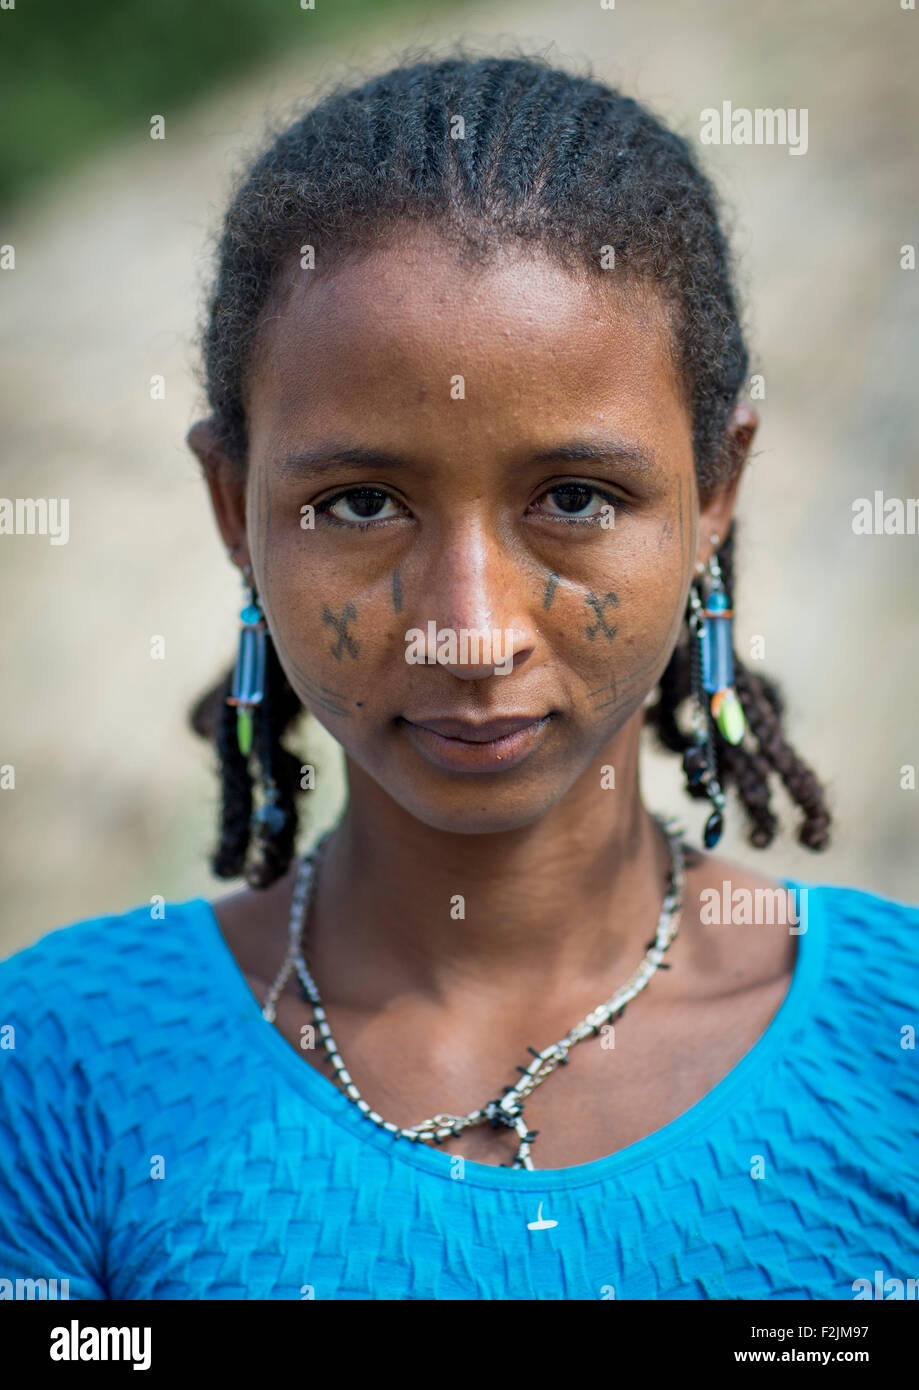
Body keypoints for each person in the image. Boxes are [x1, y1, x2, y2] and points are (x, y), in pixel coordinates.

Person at [1, 54, 916, 1302]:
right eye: (360, 503)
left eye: (575, 498)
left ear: (715, 490)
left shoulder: (893, 1050)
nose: (469, 633)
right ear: (234, 505)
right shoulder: (60, 1064)